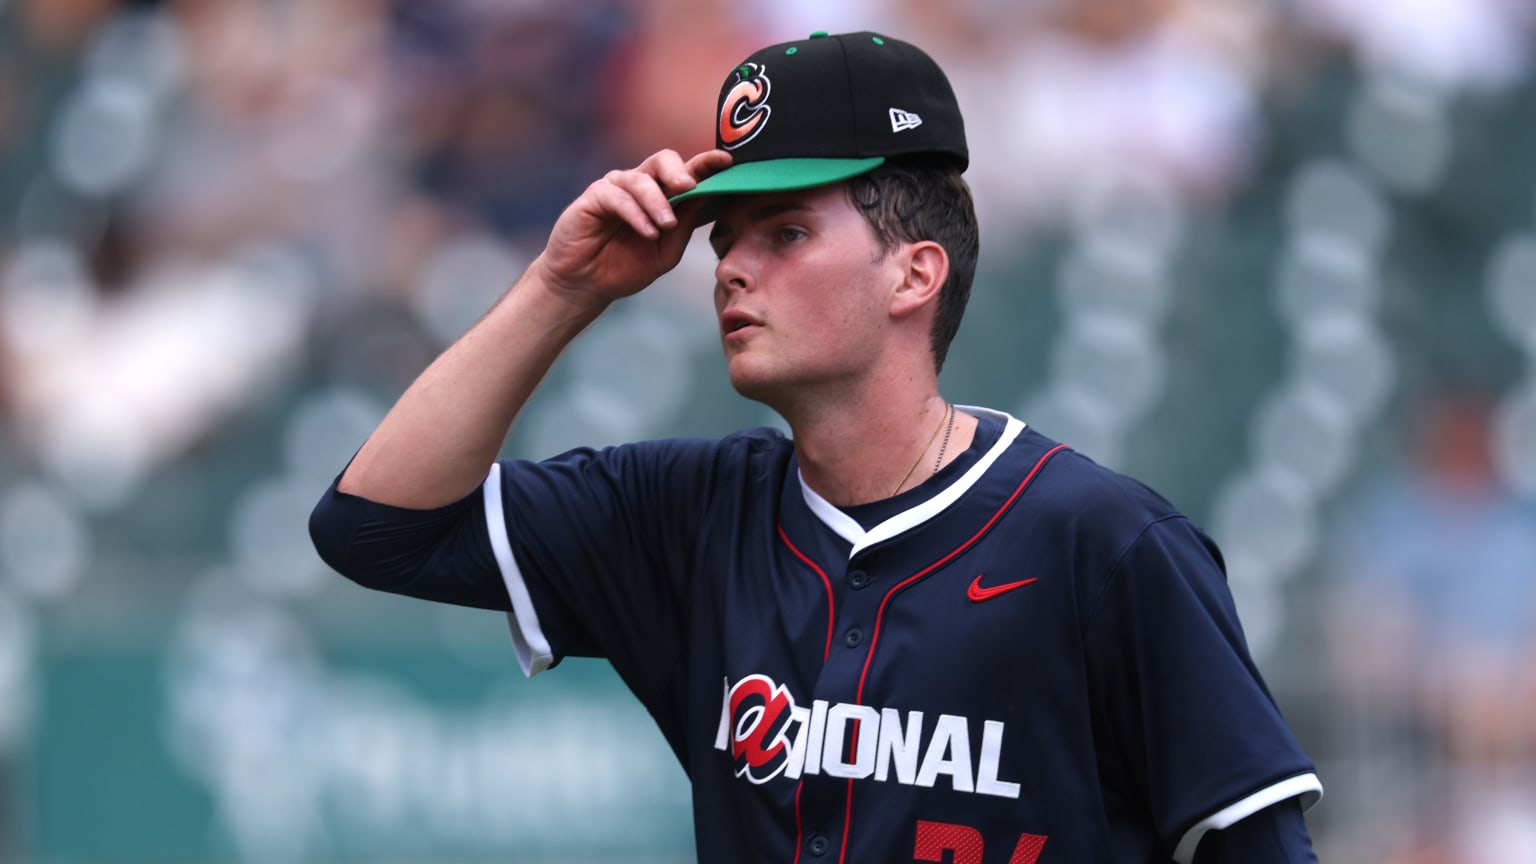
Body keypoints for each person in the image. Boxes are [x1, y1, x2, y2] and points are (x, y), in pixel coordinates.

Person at [310, 30, 1321, 863]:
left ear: (913, 274)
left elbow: (1259, 848)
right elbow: (374, 529)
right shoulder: (688, 514)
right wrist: (560, 290)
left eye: (784, 233)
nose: (731, 269)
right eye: (725, 239)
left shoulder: (1105, 544)